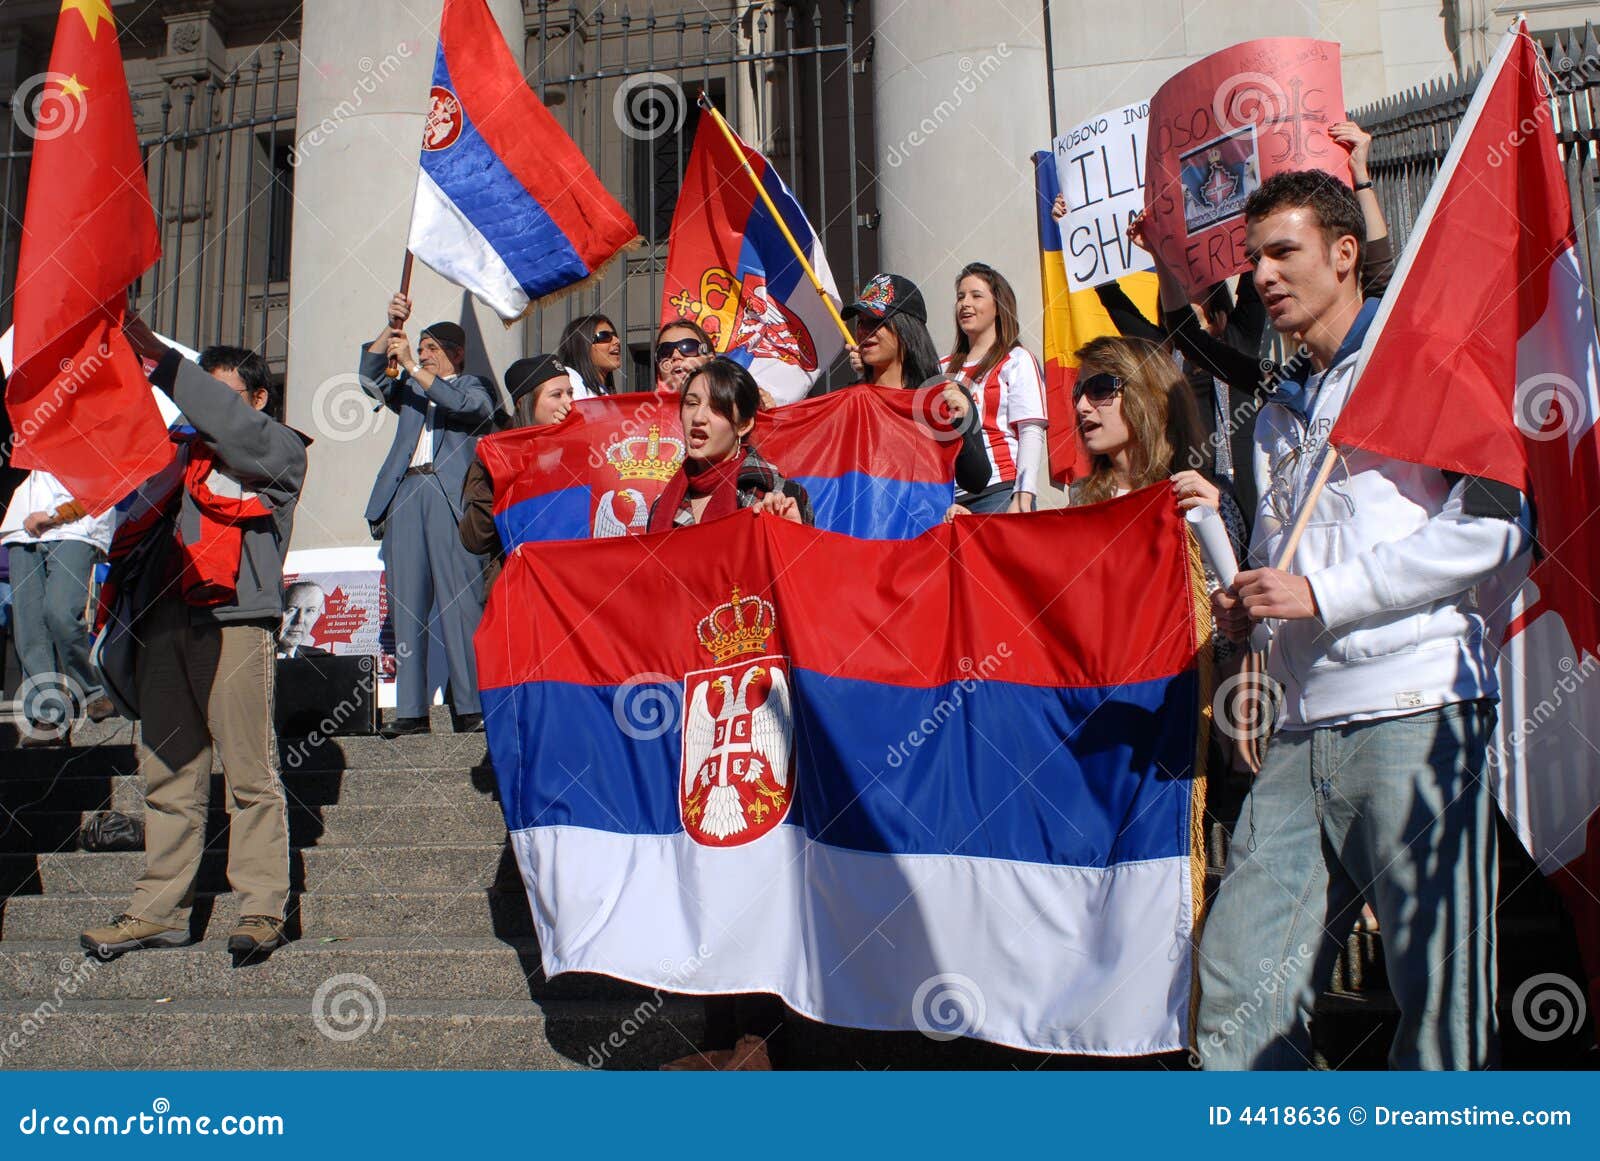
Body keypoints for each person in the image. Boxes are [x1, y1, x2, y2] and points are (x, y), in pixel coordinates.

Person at [1198, 171, 1530, 1069]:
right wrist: (1251, 610)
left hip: (1418, 712)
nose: (1263, 275)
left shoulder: (1422, 361)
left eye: (1283, 252)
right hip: (1304, 727)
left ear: (1346, 255)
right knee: (1236, 981)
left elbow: (1499, 527)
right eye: (1254, 257)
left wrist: (1325, 595)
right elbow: (1291, 570)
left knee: (1438, 1006)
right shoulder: (1274, 412)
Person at [81, 324, 307, 959]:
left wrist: (158, 353)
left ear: (258, 400)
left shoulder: (279, 450)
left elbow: (229, 427)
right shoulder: (170, 455)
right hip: (163, 621)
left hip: (234, 622)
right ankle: (157, 911)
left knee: (249, 773)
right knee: (168, 777)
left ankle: (262, 908)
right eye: (199, 392)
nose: (202, 406)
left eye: (221, 393)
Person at [360, 294, 494, 737]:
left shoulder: (475, 386)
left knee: (461, 604)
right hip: (406, 493)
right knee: (407, 606)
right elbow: (369, 376)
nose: (423, 356)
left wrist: (417, 370)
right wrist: (390, 326)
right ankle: (411, 710)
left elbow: (466, 408)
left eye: (432, 348)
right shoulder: (411, 389)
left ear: (456, 352)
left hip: (449, 498)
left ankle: (471, 706)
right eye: (419, 348)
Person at [840, 272, 991, 496]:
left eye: (877, 322)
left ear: (906, 328)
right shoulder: (849, 400)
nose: (864, 331)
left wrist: (960, 423)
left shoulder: (945, 398)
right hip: (861, 529)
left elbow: (976, 481)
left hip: (925, 529)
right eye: (861, 322)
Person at [2, 469, 118, 742]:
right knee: (30, 628)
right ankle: (46, 714)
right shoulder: (35, 432)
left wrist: (54, 516)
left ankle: (91, 690)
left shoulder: (100, 432)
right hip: (23, 530)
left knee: (61, 613)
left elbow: (108, 483)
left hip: (76, 528)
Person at [647, 358, 812, 531]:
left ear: (743, 425)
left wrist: (789, 537)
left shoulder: (781, 496)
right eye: (692, 404)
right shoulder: (662, 506)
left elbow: (807, 557)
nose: (698, 418)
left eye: (716, 408)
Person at [940, 262, 1048, 514]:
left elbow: (1030, 430)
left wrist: (1023, 495)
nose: (965, 303)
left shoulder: (1017, 359)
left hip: (1000, 492)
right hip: (949, 499)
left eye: (976, 296)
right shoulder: (941, 366)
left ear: (999, 307)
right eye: (960, 297)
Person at [459, 355, 574, 588]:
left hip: (571, 586)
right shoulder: (496, 456)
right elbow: (474, 540)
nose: (569, 404)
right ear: (525, 402)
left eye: (570, 393)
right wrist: (495, 476)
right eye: (557, 395)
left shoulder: (579, 451)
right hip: (520, 591)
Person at [557, 313, 623, 398]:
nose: (617, 341)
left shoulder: (604, 391)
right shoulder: (570, 381)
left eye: (615, 336)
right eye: (605, 336)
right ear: (581, 345)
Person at [653, 320, 714, 392]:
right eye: (665, 351)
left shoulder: (729, 402)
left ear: (710, 361)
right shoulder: (644, 403)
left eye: (688, 347)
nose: (675, 356)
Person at [276, 579, 328, 658]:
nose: (300, 619)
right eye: (291, 610)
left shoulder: (321, 659)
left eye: (310, 611)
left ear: (317, 617)